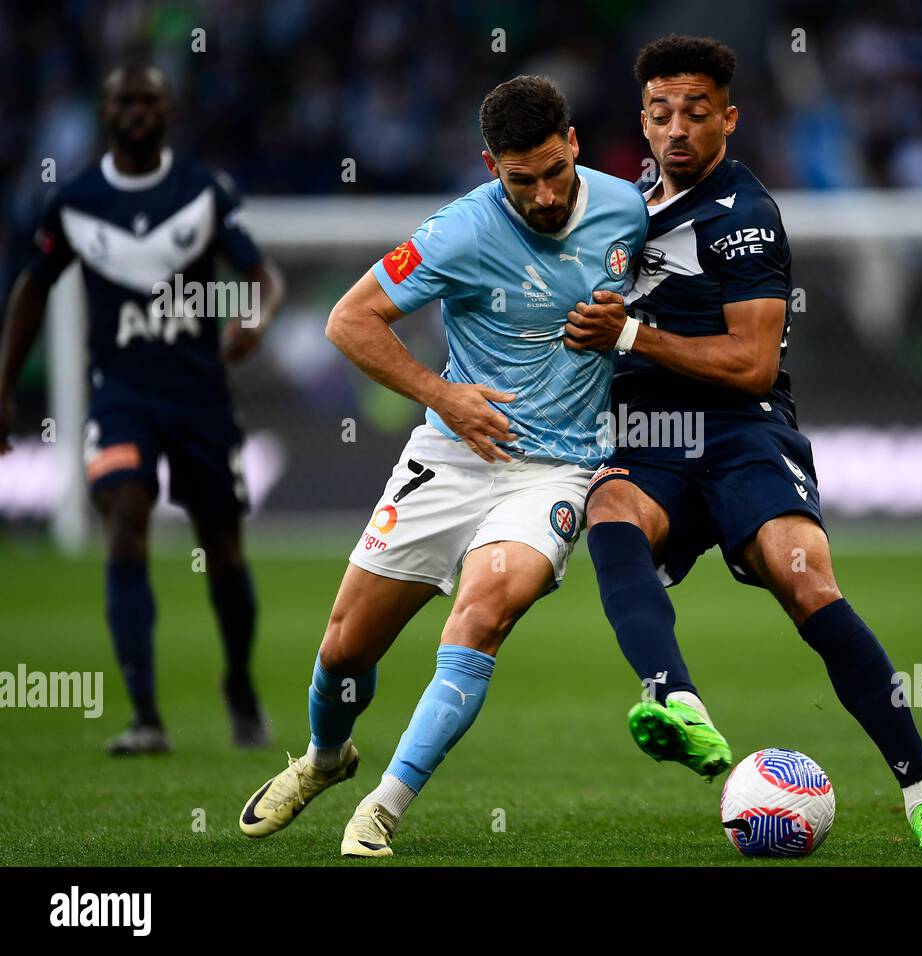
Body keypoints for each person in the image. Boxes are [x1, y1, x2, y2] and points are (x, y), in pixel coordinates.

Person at [564, 35, 922, 848]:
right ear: (642, 122)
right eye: (660, 113)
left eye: (696, 112)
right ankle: (677, 701)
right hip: (647, 436)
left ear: (730, 120)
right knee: (608, 514)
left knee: (808, 584)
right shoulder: (617, 209)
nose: (676, 128)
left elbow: (751, 366)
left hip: (742, 431)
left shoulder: (743, 217)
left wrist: (632, 337)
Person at [237, 75, 648, 857]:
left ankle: (384, 809)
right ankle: (327, 759)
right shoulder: (458, 231)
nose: (544, 195)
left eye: (555, 172)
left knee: (483, 613)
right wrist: (443, 395)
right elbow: (348, 320)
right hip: (452, 453)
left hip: (556, 471)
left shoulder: (630, 209)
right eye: (520, 180)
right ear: (490, 166)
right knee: (345, 650)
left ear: (575, 147)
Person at [0, 63, 283, 753]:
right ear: (104, 111)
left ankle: (240, 686)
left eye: (149, 100)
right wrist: (3, 385)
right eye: (124, 99)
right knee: (125, 518)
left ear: (168, 110)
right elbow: (32, 290)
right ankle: (146, 715)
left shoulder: (203, 190)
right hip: (120, 397)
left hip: (200, 397)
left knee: (222, 548)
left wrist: (255, 316)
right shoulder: (74, 202)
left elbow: (260, 276)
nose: (136, 110)